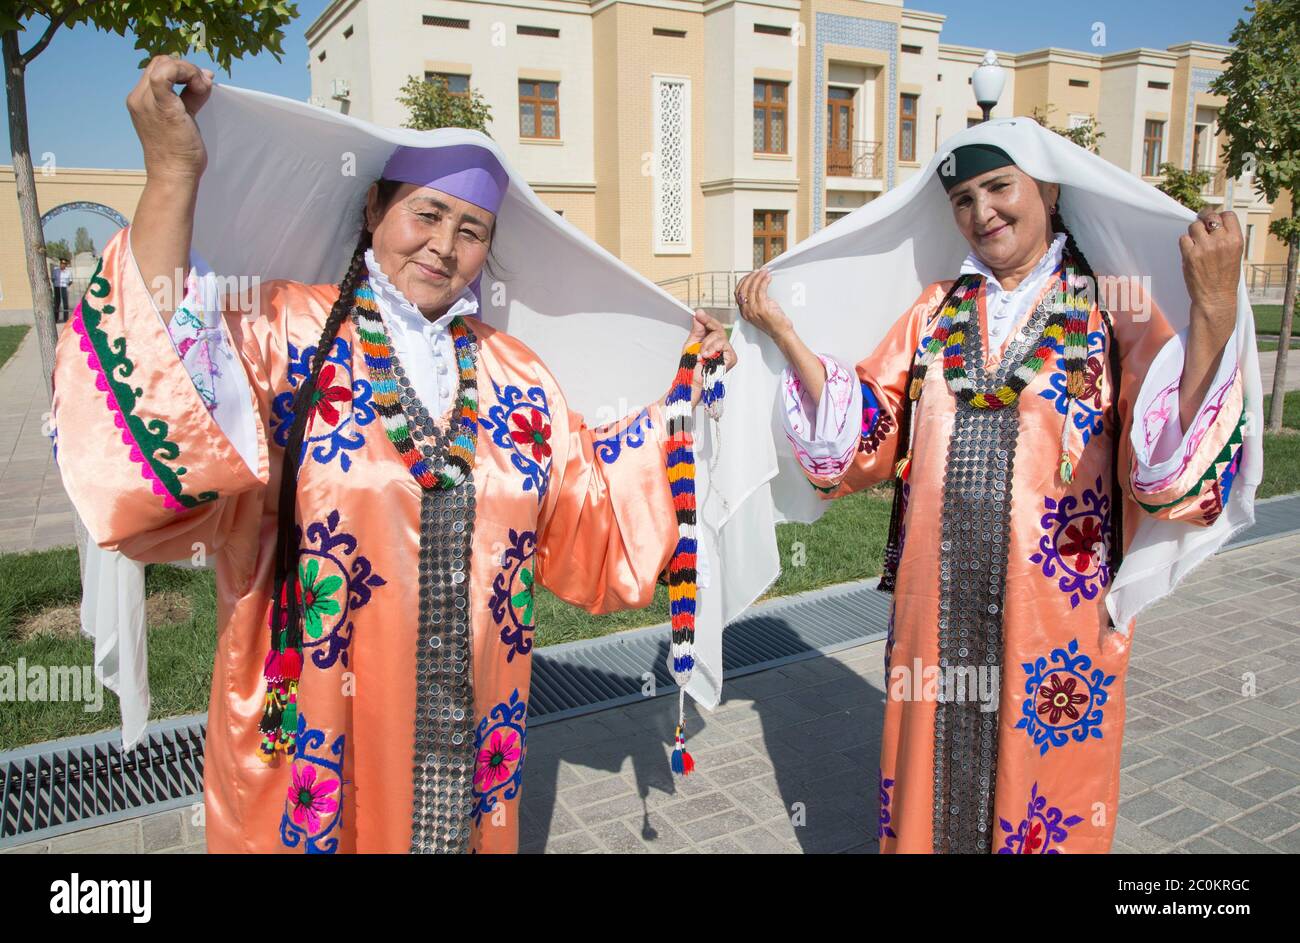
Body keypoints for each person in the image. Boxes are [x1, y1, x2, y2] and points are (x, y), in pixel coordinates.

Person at [51, 57, 735, 854]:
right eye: (428, 214)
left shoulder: (519, 375)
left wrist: (681, 398)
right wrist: (172, 175)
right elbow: (165, 372)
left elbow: (586, 512)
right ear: (373, 207)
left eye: (471, 230)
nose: (445, 247)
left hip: (473, 738)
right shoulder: (282, 331)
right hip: (315, 734)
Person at [733, 126, 1253, 853]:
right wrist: (783, 332)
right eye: (963, 200)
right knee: (930, 777)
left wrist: (1214, 312)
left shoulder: (1110, 307)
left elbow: (1165, 456)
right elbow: (869, 430)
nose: (983, 212)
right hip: (934, 605)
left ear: (1048, 190)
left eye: (999, 188)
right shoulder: (936, 310)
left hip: (1056, 614)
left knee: (1046, 786)